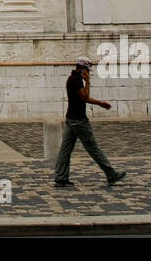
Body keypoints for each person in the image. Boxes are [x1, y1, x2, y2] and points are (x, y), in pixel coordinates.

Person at [53, 56, 127, 188]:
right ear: (82, 69)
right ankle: (111, 174)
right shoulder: (76, 80)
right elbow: (85, 96)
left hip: (71, 118)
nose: (88, 72)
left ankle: (60, 177)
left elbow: (84, 98)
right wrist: (88, 81)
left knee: (65, 149)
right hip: (78, 120)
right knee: (93, 148)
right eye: (87, 70)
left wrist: (100, 103)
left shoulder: (72, 78)